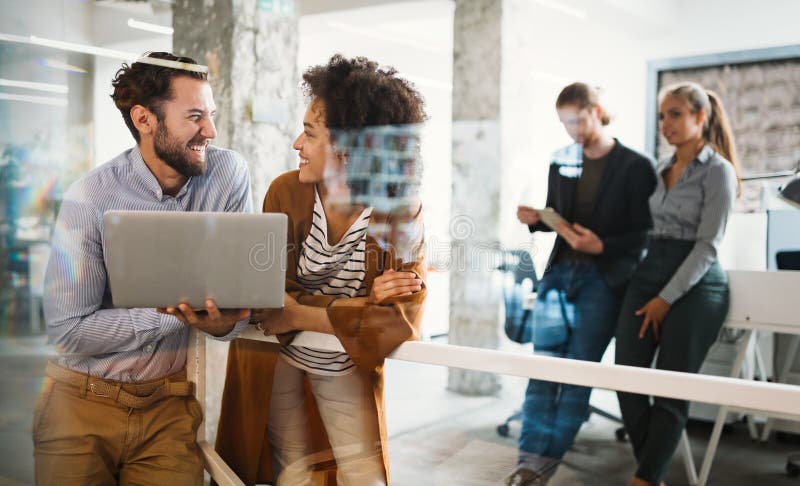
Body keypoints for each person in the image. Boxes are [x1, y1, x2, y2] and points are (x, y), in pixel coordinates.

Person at [33, 52, 253, 485]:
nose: (210, 130)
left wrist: (226, 322)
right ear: (144, 119)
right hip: (80, 405)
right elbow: (67, 330)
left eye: (210, 115)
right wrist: (166, 312)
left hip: (169, 408)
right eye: (194, 116)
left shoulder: (228, 175)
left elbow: (234, 307)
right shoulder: (90, 197)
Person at [215, 54, 427, 486]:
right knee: (290, 473)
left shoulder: (400, 210)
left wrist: (300, 312)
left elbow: (401, 319)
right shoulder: (285, 192)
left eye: (310, 133)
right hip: (277, 361)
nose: (297, 143)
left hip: (345, 367)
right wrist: (362, 304)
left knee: (364, 477)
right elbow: (266, 297)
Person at [507, 82, 657, 485]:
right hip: (560, 274)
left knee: (577, 377)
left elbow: (646, 235)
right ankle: (528, 463)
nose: (571, 130)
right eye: (564, 123)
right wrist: (539, 220)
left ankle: (542, 467)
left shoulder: (636, 166)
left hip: (603, 280)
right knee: (543, 371)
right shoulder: (562, 160)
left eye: (576, 119)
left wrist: (603, 244)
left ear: (597, 110)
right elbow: (561, 217)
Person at [615, 82, 740, 486]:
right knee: (626, 377)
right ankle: (651, 473)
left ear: (700, 117)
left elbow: (708, 247)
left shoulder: (718, 171)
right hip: (651, 272)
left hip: (698, 285)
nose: (665, 124)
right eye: (662, 115)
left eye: (675, 114)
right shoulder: (658, 170)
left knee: (671, 388)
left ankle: (645, 479)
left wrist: (665, 299)